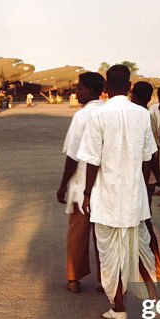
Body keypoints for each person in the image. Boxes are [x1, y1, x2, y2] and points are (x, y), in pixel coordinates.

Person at [78, 65, 159, 319]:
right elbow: (148, 157)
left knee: (109, 251)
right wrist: (141, 187)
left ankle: (119, 307)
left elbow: (92, 160)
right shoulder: (142, 114)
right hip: (135, 194)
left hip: (107, 197)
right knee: (140, 247)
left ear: (106, 86)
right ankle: (154, 301)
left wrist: (87, 193)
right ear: (130, 86)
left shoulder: (98, 116)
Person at [56, 71, 105, 293]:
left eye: (80, 88)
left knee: (78, 232)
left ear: (93, 91)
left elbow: (72, 156)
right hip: (104, 185)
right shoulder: (107, 113)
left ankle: (74, 279)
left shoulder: (82, 116)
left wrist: (62, 184)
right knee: (103, 234)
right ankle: (105, 279)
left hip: (81, 184)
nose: (76, 92)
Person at [130, 81, 160, 280]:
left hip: (143, 179)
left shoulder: (143, 116)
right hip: (146, 177)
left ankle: (157, 265)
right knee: (144, 222)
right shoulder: (147, 115)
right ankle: (153, 265)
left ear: (133, 96)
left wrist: (144, 182)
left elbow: (150, 153)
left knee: (144, 223)